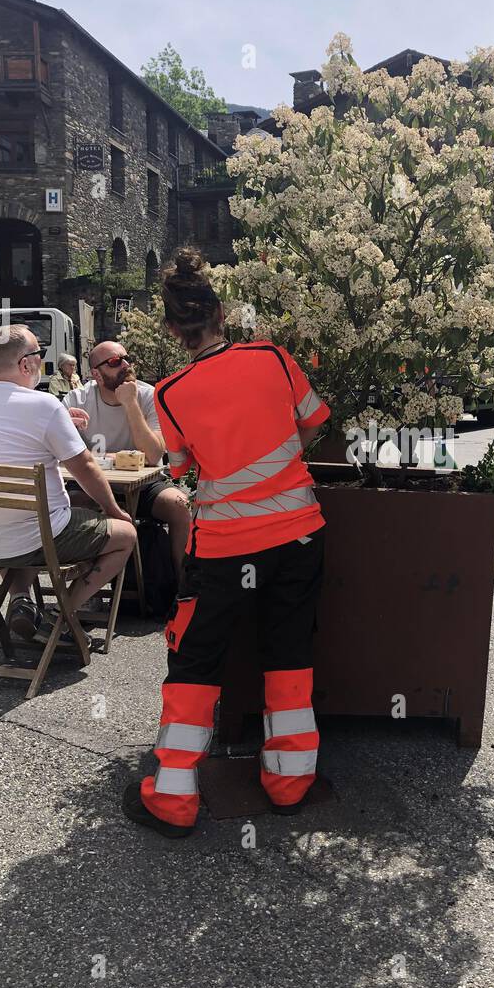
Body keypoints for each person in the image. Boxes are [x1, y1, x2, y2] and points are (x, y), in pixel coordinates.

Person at [122, 246, 331, 839]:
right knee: (289, 651)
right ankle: (290, 783)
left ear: (172, 329)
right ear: (222, 313)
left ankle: (173, 796)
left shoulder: (169, 393)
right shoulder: (272, 357)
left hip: (222, 549)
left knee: (196, 659)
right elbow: (315, 420)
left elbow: (182, 468)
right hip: (297, 535)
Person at [0, 326, 136, 645]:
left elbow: (13, 424)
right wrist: (114, 510)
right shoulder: (43, 405)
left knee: (25, 523)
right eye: (39, 355)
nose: (41, 362)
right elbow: (86, 467)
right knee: (125, 535)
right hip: (33, 539)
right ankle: (60, 617)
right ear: (25, 365)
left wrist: (61, 417)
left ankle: (21, 599)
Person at [62, 340, 191, 574]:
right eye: (114, 362)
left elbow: (153, 455)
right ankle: (87, 589)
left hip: (144, 487)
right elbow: (64, 456)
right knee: (71, 505)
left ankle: (181, 587)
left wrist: (130, 403)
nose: (125, 365)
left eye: (126, 358)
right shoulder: (76, 401)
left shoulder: (148, 396)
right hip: (92, 486)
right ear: (97, 375)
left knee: (180, 505)